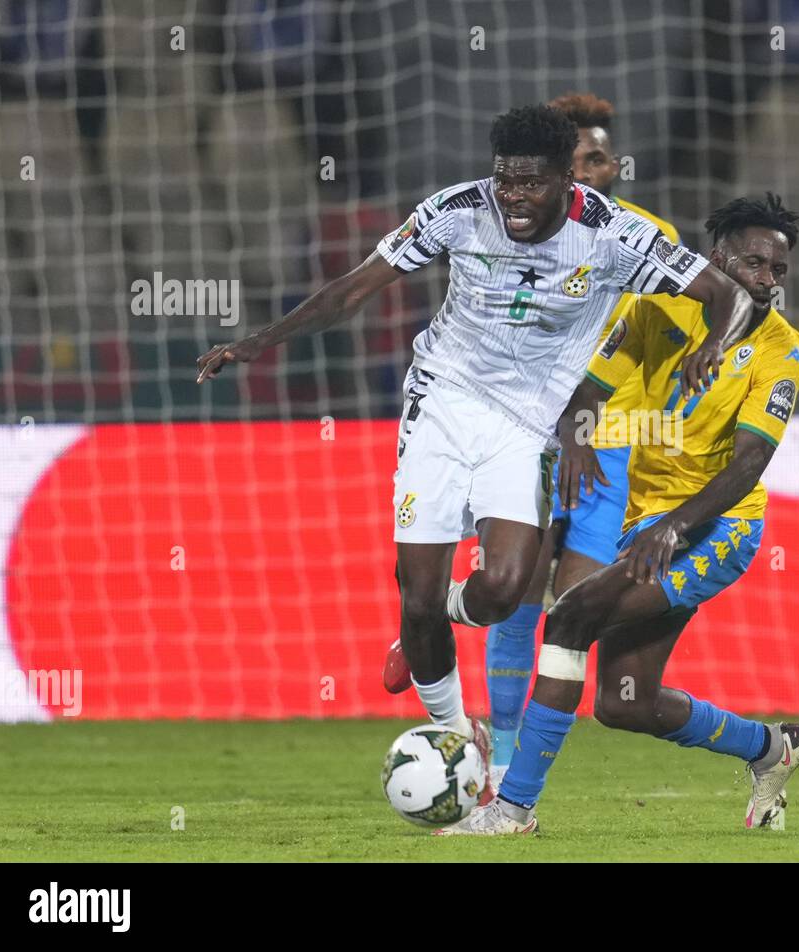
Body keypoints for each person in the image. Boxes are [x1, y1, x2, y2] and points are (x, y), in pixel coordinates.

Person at [195, 105, 754, 779]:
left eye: (531, 184)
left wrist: (715, 347)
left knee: (499, 592)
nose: (513, 198)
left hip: (524, 425)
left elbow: (721, 292)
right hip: (442, 404)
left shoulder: (613, 234)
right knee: (420, 593)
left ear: (564, 180)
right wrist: (259, 341)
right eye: (504, 181)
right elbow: (353, 292)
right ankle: (460, 737)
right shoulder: (456, 211)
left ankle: (428, 623)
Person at [437, 194, 799, 836]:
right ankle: (772, 748)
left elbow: (747, 465)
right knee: (623, 702)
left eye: (778, 271)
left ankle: (513, 808)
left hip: (719, 529)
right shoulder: (655, 308)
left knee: (570, 615)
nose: (768, 281)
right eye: (754, 263)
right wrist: (580, 442)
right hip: (648, 522)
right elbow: (587, 392)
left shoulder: (785, 353)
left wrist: (675, 528)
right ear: (716, 260)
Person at [460, 92, 684, 794]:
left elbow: (671, 340)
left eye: (599, 156)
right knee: (516, 589)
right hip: (524, 437)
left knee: (573, 606)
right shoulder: (511, 236)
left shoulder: (650, 236)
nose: (593, 166)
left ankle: (524, 775)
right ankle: (500, 758)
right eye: (580, 157)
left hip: (610, 445)